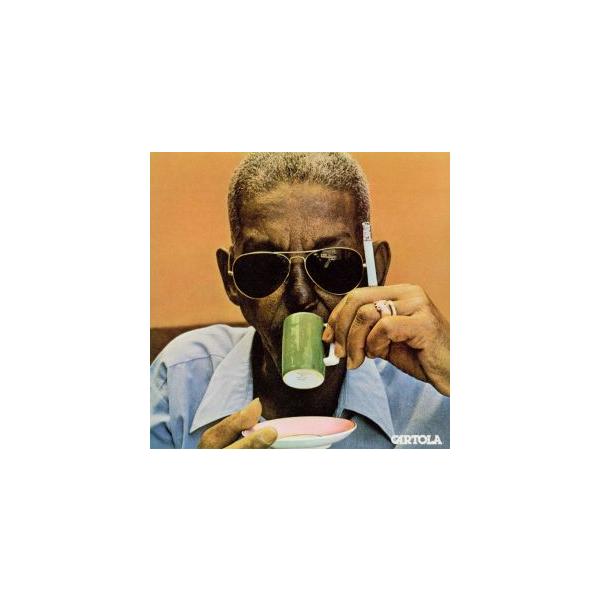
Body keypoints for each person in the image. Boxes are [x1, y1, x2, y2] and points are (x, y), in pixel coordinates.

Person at [151, 153, 450, 449]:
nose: (300, 296)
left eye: (332, 262)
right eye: (265, 266)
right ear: (230, 280)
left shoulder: (432, 388)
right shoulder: (180, 381)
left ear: (375, 271)